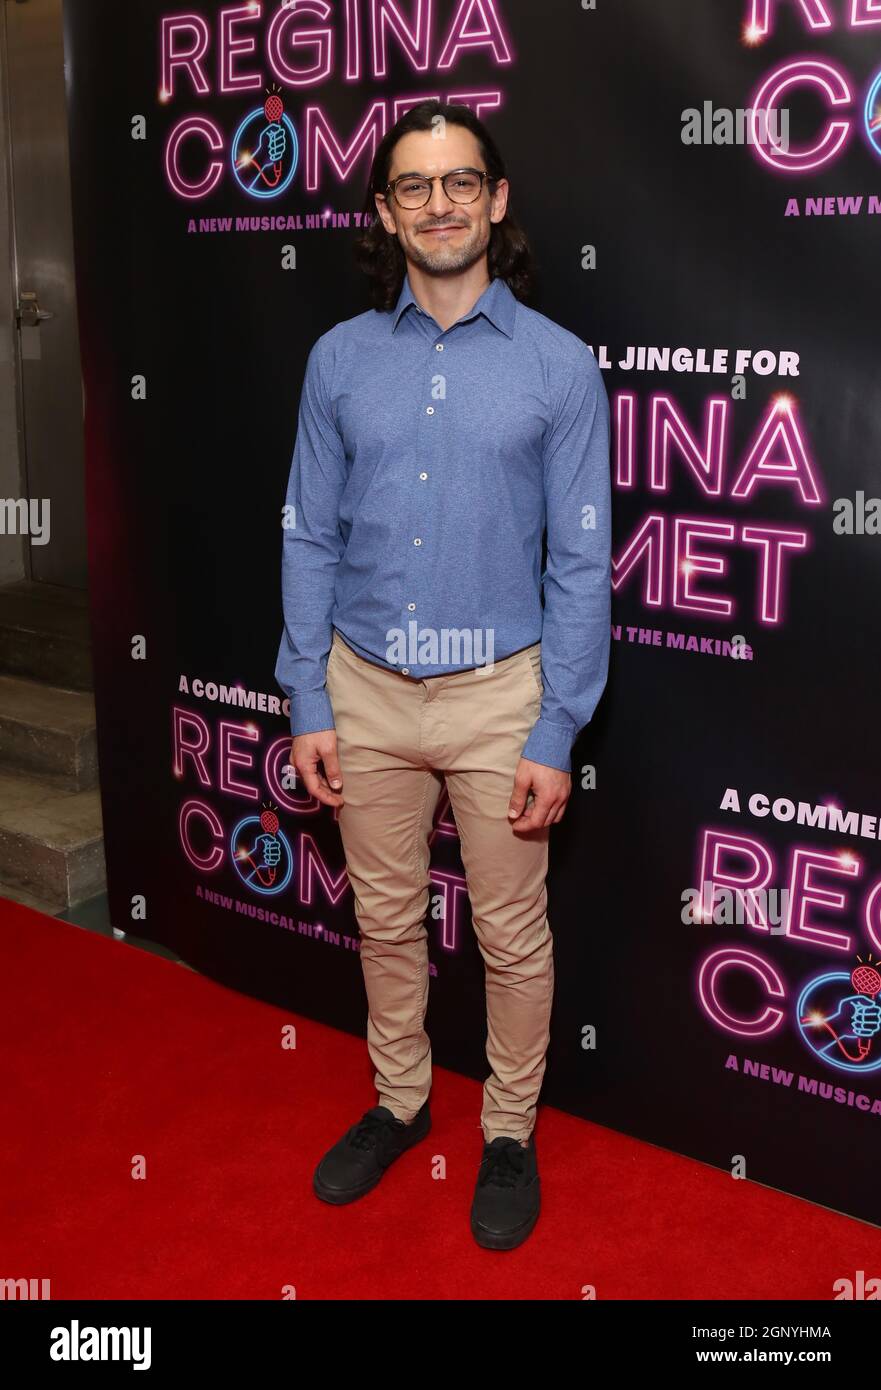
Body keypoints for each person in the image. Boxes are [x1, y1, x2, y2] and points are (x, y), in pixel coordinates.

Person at [275, 99, 611, 1251]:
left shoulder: (559, 368)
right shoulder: (336, 360)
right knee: (383, 920)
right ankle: (400, 1100)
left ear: (496, 198)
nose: (438, 203)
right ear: (384, 210)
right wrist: (308, 694)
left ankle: (506, 1129)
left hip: (499, 698)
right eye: (412, 186)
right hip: (360, 689)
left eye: (459, 181)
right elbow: (308, 534)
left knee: (512, 935)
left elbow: (578, 561)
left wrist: (556, 723)